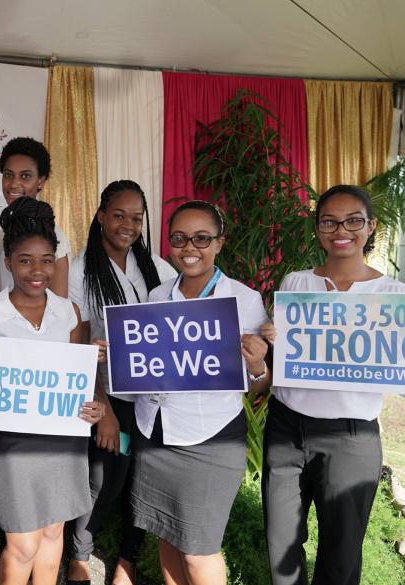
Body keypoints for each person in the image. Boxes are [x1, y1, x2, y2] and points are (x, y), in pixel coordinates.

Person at [261, 184, 405, 585]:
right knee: (281, 545)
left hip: (351, 437)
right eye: (329, 221)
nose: (340, 229)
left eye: (353, 220)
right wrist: (269, 339)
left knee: (341, 555)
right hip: (285, 428)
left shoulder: (396, 296)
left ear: (370, 226)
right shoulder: (295, 284)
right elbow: (279, 362)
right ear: (318, 228)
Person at [0, 197, 105, 584]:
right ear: (7, 262)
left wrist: (95, 407)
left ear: (56, 261)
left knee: (53, 533)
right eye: (25, 260)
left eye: (45, 260)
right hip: (13, 446)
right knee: (22, 544)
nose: (36, 270)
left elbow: (83, 378)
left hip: (63, 441)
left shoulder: (70, 312)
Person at [131, 200, 270, 585]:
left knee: (198, 550)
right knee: (167, 537)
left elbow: (260, 384)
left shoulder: (244, 300)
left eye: (201, 238)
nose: (189, 247)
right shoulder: (157, 296)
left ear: (219, 243)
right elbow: (147, 366)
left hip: (209, 438)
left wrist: (258, 364)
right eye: (179, 238)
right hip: (154, 430)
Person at [67, 180, 176, 585]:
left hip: (153, 397)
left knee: (145, 480)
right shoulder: (79, 271)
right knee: (103, 482)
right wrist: (105, 410)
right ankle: (79, 555)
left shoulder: (157, 269)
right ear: (100, 217)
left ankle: (128, 558)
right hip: (110, 396)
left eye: (136, 217)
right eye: (118, 215)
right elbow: (77, 344)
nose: (127, 225)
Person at [0, 137, 71, 296]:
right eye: (8, 175)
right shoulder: (0, 234)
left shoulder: (54, 236)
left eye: (25, 176)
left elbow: (59, 306)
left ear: (41, 181)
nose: (14, 184)